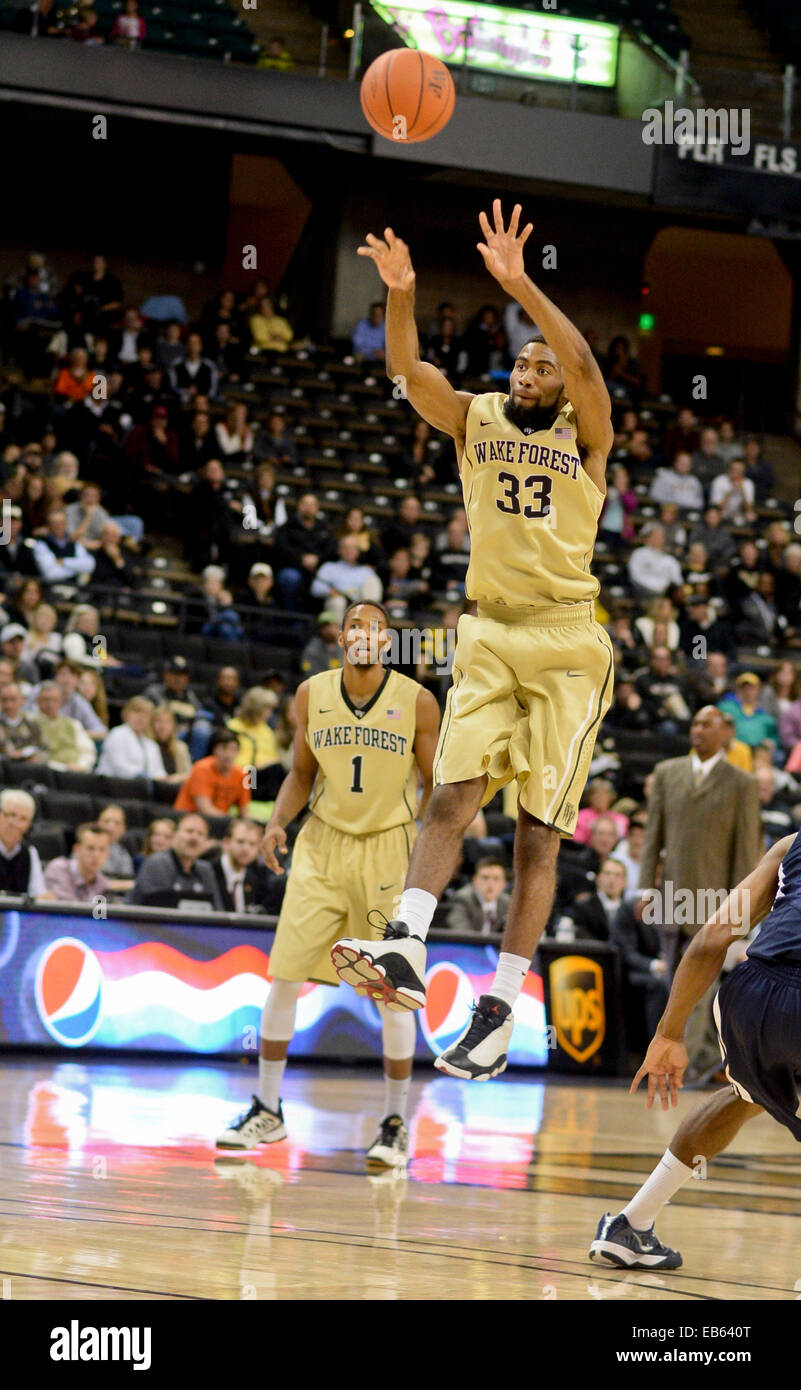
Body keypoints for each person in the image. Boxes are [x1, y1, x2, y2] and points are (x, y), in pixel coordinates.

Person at [329, 201, 615, 1082]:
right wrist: (403, 294)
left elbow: (582, 359)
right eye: (520, 362)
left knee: (536, 837)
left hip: (569, 642)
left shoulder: (590, 432)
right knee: (449, 796)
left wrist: (519, 282)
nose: (530, 369)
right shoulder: (476, 419)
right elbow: (409, 370)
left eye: (540, 364)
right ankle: (406, 943)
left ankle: (496, 1010)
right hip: (488, 628)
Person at [215, 600, 439, 1168]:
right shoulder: (310, 694)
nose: (366, 635)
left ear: (388, 643)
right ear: (342, 638)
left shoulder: (417, 701)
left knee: (392, 992)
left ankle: (394, 1123)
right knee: (284, 975)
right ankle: (267, 1108)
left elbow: (436, 787)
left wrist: (430, 856)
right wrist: (274, 824)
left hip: (390, 848)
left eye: (377, 628)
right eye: (356, 626)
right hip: (320, 846)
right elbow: (301, 772)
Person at [590, 831, 801, 1269]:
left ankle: (632, 1223)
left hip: (748, 996)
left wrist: (669, 1034)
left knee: (750, 1096)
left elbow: (710, 938)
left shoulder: (790, 846)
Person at [638, 705, 762, 1079]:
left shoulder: (743, 783)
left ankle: (687, 1065)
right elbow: (652, 837)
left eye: (707, 723)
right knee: (674, 984)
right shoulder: (667, 773)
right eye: (694, 722)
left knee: (699, 988)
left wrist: (743, 909)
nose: (698, 729)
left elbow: (746, 851)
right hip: (671, 898)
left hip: (716, 903)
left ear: (726, 731)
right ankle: (701, 1056)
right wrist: (645, 887)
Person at [129, 812, 223, 910]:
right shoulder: (157, 863)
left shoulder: (206, 870)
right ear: (174, 836)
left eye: (200, 834)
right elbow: (157, 910)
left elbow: (217, 911)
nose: (194, 838)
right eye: (189, 831)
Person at [174, 729, 252, 818]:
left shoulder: (242, 774)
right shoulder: (201, 768)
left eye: (233, 749)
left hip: (220, 821)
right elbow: (205, 809)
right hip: (190, 817)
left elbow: (244, 811)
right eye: (223, 748)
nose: (228, 755)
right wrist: (231, 821)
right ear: (214, 750)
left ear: (238, 752)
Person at [96, 696, 166, 779]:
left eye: (145, 715)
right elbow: (119, 767)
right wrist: (142, 776)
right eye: (137, 712)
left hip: (142, 787)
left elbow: (159, 772)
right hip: (113, 786)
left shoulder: (152, 745)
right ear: (126, 713)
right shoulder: (117, 734)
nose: (141, 718)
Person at [210, 817, 269, 914]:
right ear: (226, 843)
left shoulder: (256, 879)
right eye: (240, 841)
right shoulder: (209, 872)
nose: (246, 849)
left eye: (252, 844)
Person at [43, 822, 111, 904]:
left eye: (102, 850)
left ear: (107, 854)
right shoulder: (58, 869)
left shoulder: (102, 882)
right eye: (90, 848)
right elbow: (69, 910)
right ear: (76, 850)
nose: (96, 855)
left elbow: (101, 914)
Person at [445, 857, 510, 936]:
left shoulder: (508, 903)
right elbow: (460, 932)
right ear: (475, 880)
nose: (491, 883)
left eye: (496, 879)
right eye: (485, 878)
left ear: (504, 884)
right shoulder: (463, 899)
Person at [0, 789, 45, 896]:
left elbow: (39, 894)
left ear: (28, 826)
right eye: (11, 815)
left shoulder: (30, 852)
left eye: (23, 819)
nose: (15, 823)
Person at [96, 803, 136, 892]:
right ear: (98, 823)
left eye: (117, 823)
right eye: (106, 821)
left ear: (123, 829)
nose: (111, 827)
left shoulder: (123, 854)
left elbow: (129, 883)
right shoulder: (86, 845)